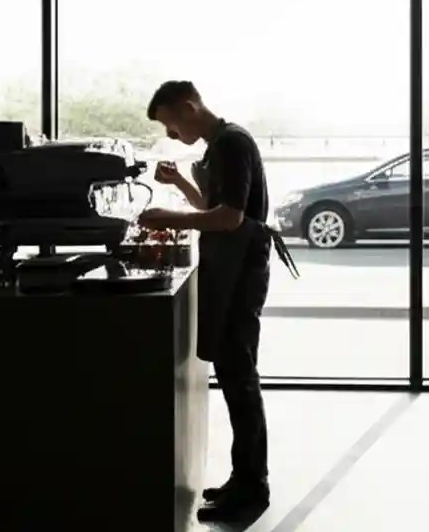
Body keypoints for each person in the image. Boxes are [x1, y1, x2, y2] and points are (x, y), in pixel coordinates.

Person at [138, 81, 296, 524]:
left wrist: (168, 217)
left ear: (189, 107)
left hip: (242, 272)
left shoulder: (231, 143)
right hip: (233, 266)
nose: (170, 134)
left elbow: (229, 218)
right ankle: (242, 476)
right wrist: (179, 183)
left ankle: (252, 486)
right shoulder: (218, 146)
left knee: (240, 377)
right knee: (232, 374)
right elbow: (213, 205)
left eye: (170, 123)